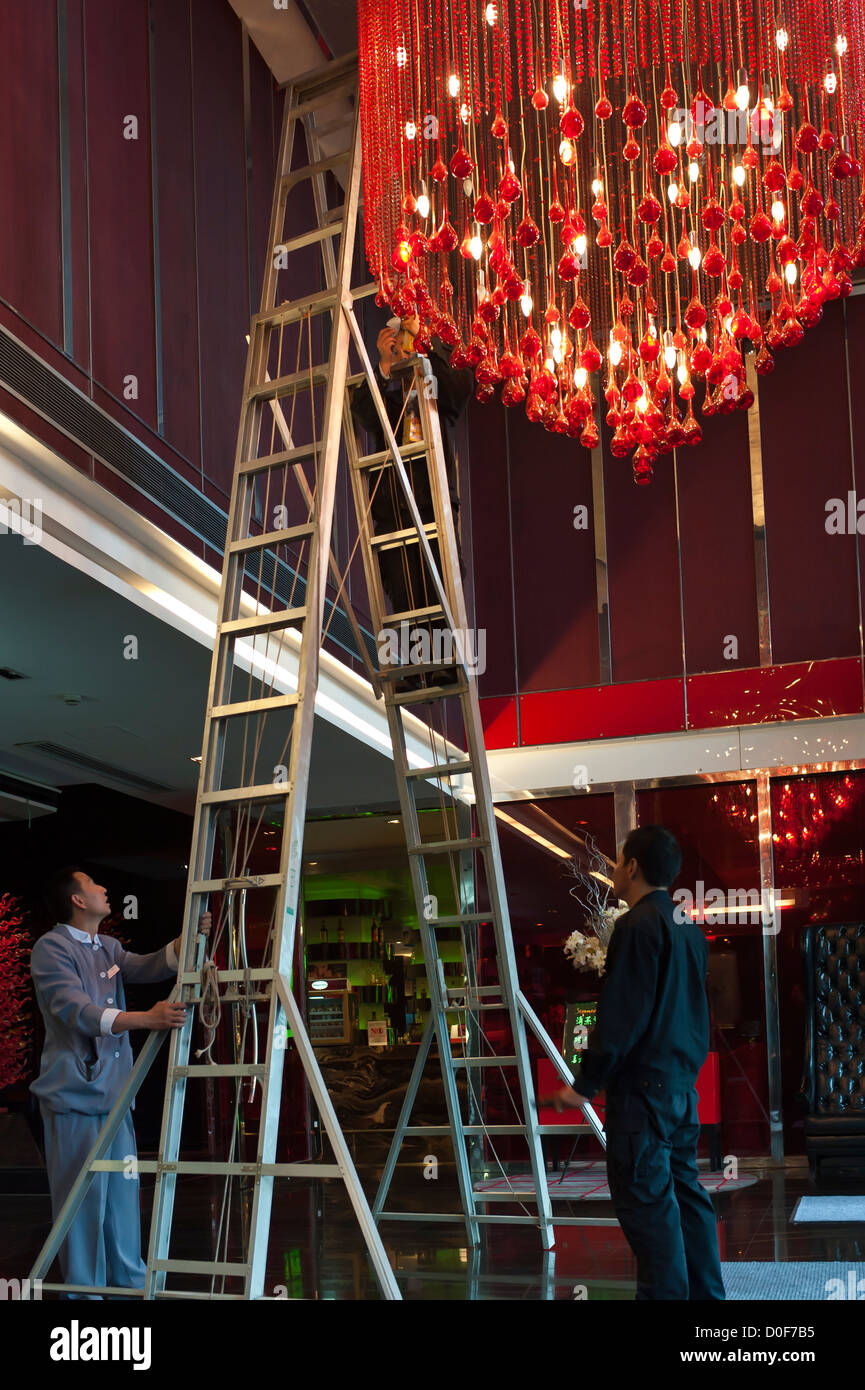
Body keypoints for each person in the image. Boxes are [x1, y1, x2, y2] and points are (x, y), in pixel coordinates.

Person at [542, 825, 725, 1301]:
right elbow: (693, 1012)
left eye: (617, 859)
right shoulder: (689, 929)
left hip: (643, 1096)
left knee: (648, 1209)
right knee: (687, 1200)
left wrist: (584, 1084)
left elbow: (622, 1015)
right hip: (682, 1091)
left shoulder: (636, 926)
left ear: (633, 867)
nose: (613, 869)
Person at [30, 866, 210, 1298]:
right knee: (84, 1201)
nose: (103, 889)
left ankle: (131, 1286)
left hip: (116, 1095)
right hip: (75, 1097)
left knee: (124, 1198)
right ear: (77, 899)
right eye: (94, 884)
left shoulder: (106, 948)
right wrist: (145, 1020)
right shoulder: (51, 949)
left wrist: (188, 941)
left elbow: (145, 967)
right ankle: (83, 1294)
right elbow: (77, 1010)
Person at [349, 313, 472, 628]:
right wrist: (384, 367)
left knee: (441, 591)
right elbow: (364, 412)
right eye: (402, 348)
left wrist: (428, 350)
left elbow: (458, 394)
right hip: (394, 510)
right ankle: (415, 672)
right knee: (404, 597)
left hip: (435, 506)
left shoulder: (437, 388)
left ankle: (444, 666)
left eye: (412, 348)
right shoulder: (389, 393)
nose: (407, 356)